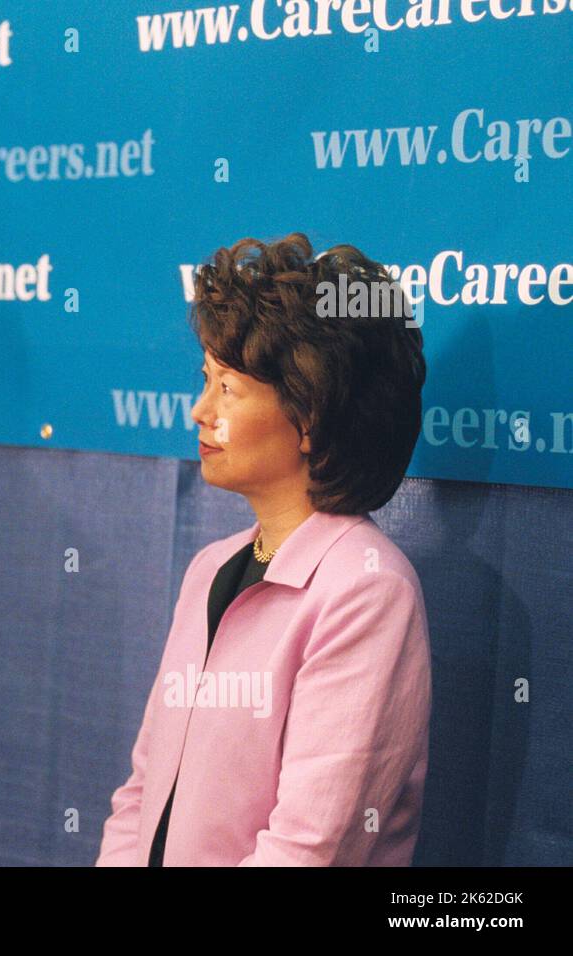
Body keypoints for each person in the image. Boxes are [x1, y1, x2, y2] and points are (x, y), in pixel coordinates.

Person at [97, 233, 431, 866]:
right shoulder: (210, 570)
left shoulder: (367, 591)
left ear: (309, 416)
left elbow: (309, 848)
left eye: (228, 389)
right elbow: (141, 795)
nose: (199, 411)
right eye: (205, 381)